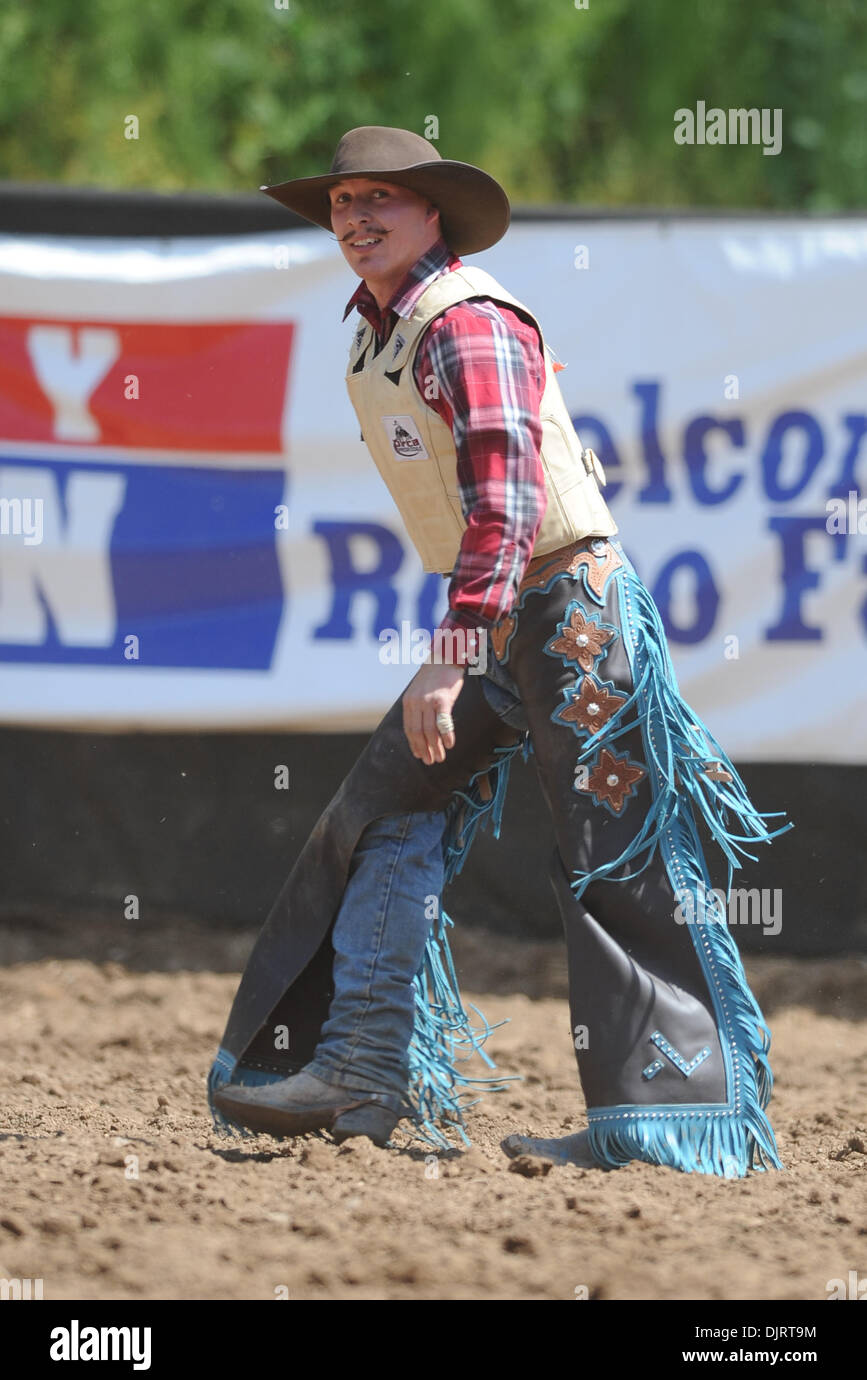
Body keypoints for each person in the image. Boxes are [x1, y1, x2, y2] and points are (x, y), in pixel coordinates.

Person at [209, 126, 791, 1176]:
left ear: (435, 214)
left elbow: (509, 501)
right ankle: (356, 1065)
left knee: (616, 855)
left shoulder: (464, 320)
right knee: (386, 805)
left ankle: (676, 1124)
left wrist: (450, 651)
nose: (356, 218)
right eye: (343, 203)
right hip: (515, 616)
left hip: (570, 612)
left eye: (382, 198)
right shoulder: (378, 331)